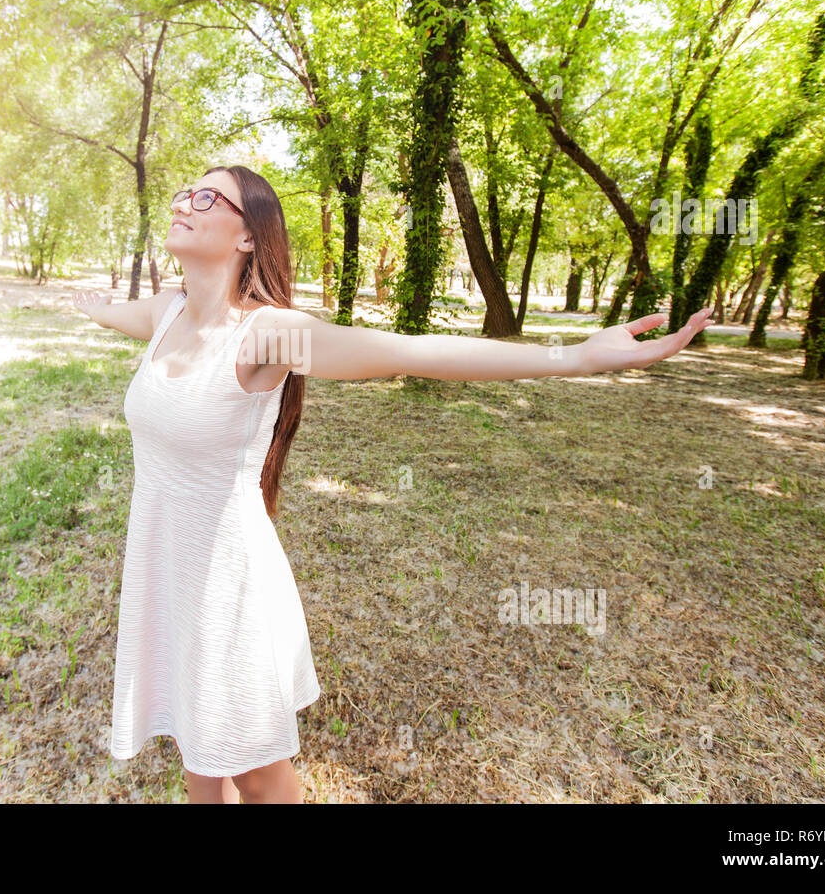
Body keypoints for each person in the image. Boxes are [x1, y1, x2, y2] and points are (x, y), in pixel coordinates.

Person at [73, 164, 713, 804]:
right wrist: (92, 308)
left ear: (248, 237)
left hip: (226, 584)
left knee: (254, 770)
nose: (188, 201)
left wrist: (575, 356)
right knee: (198, 747)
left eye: (209, 197)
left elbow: (406, 349)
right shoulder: (168, 311)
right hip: (167, 569)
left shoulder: (263, 334)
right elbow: (116, 314)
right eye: (187, 191)